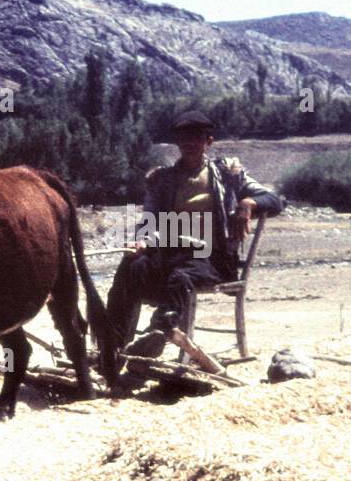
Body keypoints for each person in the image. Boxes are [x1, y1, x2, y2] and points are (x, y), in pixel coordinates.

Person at [106, 110, 284, 361]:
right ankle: (113, 344)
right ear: (177, 142)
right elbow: (150, 219)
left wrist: (247, 203)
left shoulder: (228, 175)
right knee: (132, 266)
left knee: (181, 276)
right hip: (170, 253)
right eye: (184, 138)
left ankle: (159, 332)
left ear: (208, 141)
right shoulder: (163, 179)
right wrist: (142, 241)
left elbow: (275, 200)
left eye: (197, 138)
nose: (190, 144)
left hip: (212, 259)